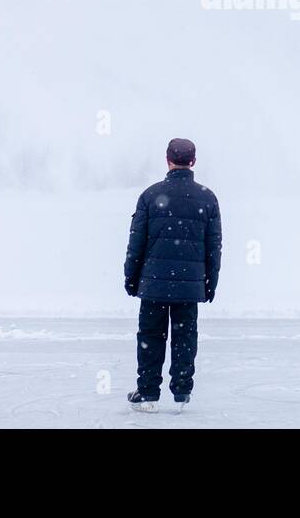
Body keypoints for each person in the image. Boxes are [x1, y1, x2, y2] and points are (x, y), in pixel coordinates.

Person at [122, 137, 222, 410]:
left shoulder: (150, 195)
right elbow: (214, 247)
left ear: (167, 160)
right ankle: (181, 392)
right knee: (184, 336)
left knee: (151, 337)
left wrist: (131, 277)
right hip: (189, 287)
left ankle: (148, 393)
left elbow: (136, 243)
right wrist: (210, 283)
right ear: (193, 162)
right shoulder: (207, 197)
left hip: (153, 284)